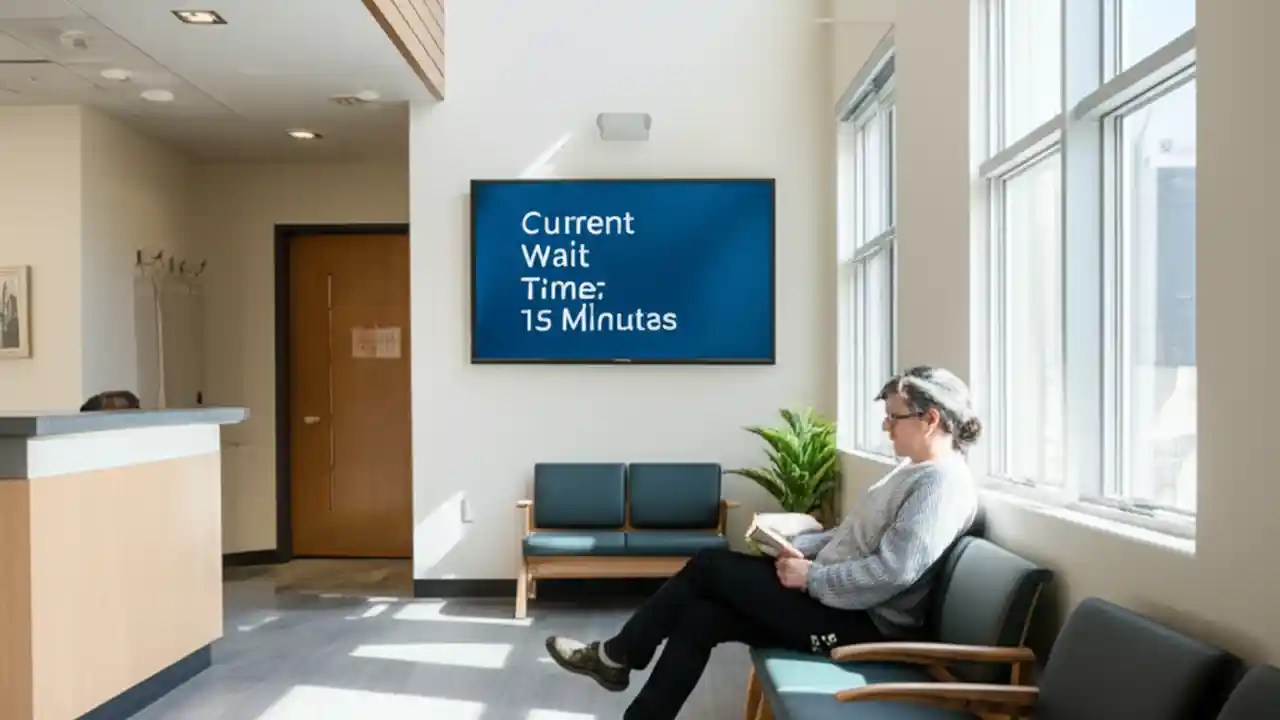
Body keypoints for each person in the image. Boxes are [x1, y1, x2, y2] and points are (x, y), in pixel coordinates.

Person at [544, 365, 982, 720]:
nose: (886, 426)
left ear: (930, 419)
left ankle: (617, 655)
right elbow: (853, 536)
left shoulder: (941, 486)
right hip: (838, 601)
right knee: (701, 618)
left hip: (863, 626)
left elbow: (892, 572)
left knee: (709, 564)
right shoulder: (912, 470)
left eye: (894, 416)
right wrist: (800, 546)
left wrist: (811, 578)